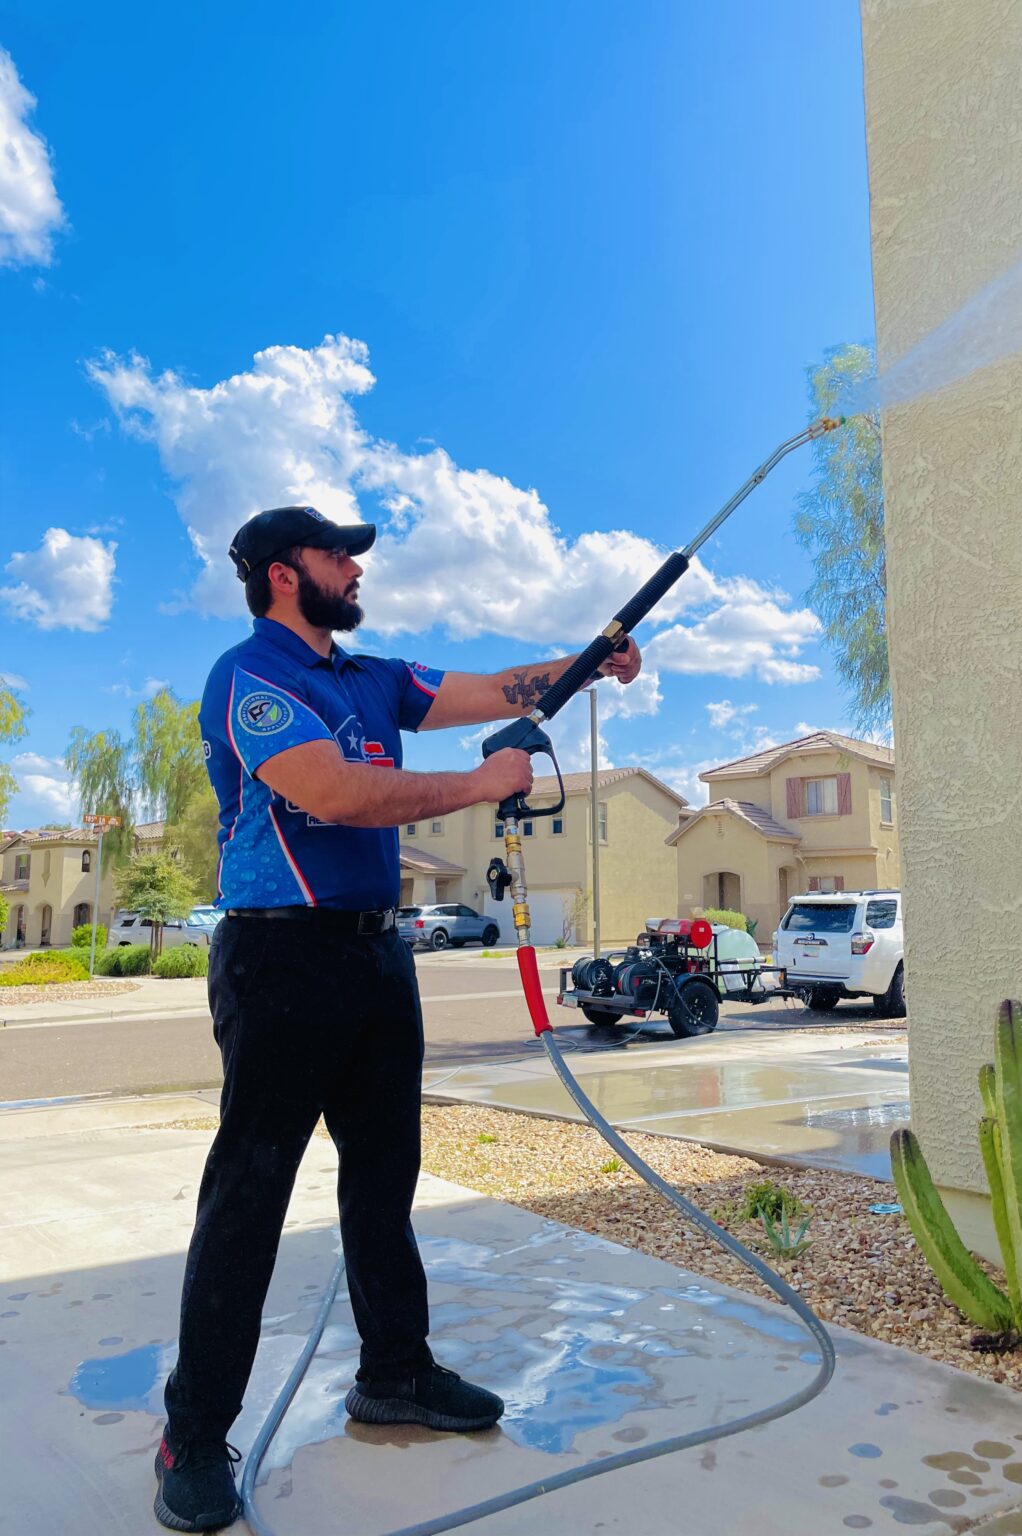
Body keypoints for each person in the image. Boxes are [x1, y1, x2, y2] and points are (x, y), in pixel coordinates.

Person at [154, 505, 642, 1532]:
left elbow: (492, 689)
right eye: (337, 554)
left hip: (379, 954)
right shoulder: (250, 677)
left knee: (384, 1178)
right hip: (280, 956)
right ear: (283, 572)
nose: (355, 568)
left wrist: (589, 663)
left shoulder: (373, 677)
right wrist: (479, 783)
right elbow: (334, 794)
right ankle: (192, 1434)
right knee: (249, 1193)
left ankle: (395, 1374)